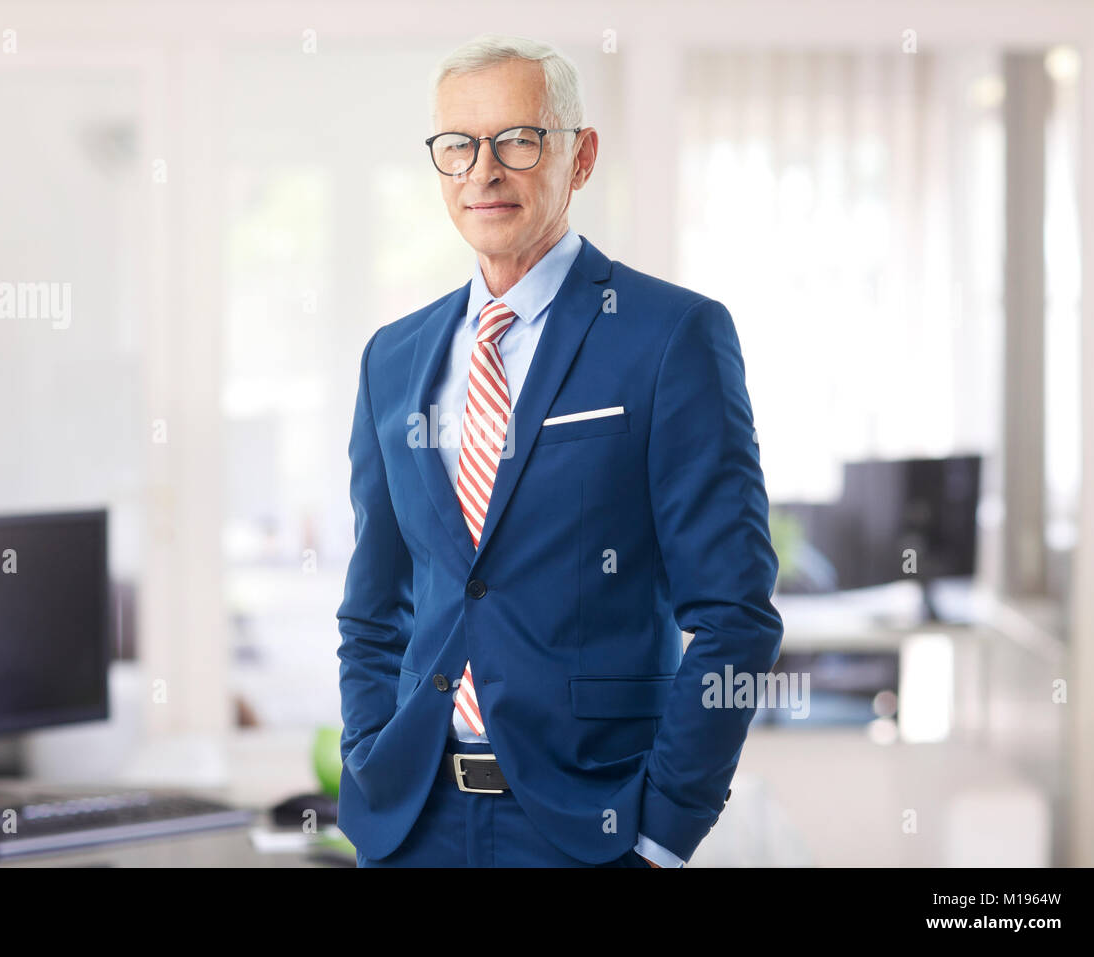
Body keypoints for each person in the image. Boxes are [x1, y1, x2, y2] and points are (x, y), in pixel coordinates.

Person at [336, 33, 783, 867]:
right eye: (458, 145)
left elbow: (736, 616)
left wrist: (663, 834)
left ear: (580, 157)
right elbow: (374, 607)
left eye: (518, 138)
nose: (483, 170)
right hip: (411, 826)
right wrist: (368, 754)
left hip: (590, 829)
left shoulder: (670, 337)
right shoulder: (391, 358)